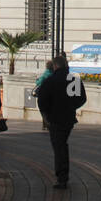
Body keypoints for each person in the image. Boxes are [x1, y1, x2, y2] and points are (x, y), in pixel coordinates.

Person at [35, 53, 86, 188]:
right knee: (62, 145)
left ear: (55, 65)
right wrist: (71, 106)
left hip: (55, 119)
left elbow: (42, 101)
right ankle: (63, 175)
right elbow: (82, 98)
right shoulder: (74, 79)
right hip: (68, 118)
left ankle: (62, 177)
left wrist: (46, 115)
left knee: (59, 147)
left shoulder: (50, 81)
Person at [35, 60, 55, 131]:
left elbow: (38, 83)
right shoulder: (54, 74)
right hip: (52, 94)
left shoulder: (45, 74)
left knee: (43, 110)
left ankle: (45, 124)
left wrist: (36, 80)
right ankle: (47, 124)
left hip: (43, 94)